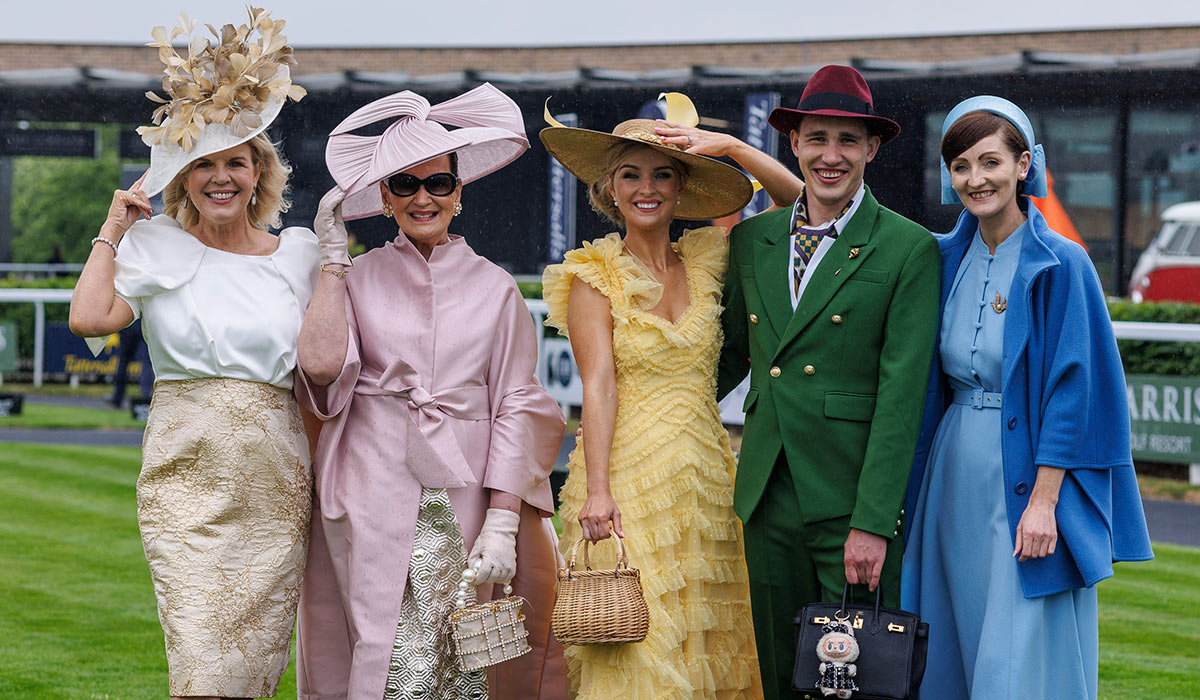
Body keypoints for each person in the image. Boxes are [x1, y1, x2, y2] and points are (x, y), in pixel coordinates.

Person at [67, 10, 314, 700]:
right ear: (183, 176)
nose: (220, 178)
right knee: (204, 667)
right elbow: (89, 319)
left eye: (235, 161)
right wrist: (114, 226)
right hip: (186, 477)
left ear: (259, 171)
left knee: (253, 673)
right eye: (203, 164)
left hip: (277, 481)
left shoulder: (298, 257)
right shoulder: (156, 247)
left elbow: (328, 367)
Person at [294, 84, 568, 700]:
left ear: (459, 191)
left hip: (467, 487)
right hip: (368, 480)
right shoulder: (353, 278)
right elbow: (318, 371)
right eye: (405, 184)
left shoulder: (496, 288)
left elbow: (518, 405)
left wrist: (503, 520)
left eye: (438, 183)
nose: (424, 197)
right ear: (383, 197)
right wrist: (333, 261)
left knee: (465, 647)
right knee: (383, 645)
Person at [901, 96, 1153, 700]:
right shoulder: (938, 258)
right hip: (950, 473)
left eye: (990, 161)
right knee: (949, 640)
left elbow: (1076, 391)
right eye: (960, 165)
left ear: (1023, 166)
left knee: (1019, 652)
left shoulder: (1064, 263)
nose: (975, 178)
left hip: (1027, 479)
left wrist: (1044, 503)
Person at [714, 64, 940, 698]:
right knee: (780, 671)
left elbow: (902, 398)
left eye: (847, 141)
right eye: (817, 138)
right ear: (795, 144)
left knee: (857, 681)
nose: (830, 156)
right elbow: (730, 356)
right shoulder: (753, 239)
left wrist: (872, 522)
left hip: (849, 495)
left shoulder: (907, 247)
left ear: (871, 148)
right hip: (766, 492)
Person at [540, 94, 764, 700]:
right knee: (636, 642)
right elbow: (599, 385)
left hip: (705, 473)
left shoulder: (710, 257)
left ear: (682, 187)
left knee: (706, 639)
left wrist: (736, 150)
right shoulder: (595, 274)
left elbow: (815, 211)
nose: (647, 188)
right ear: (609, 187)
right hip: (626, 476)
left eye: (662, 174)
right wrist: (601, 491)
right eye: (631, 174)